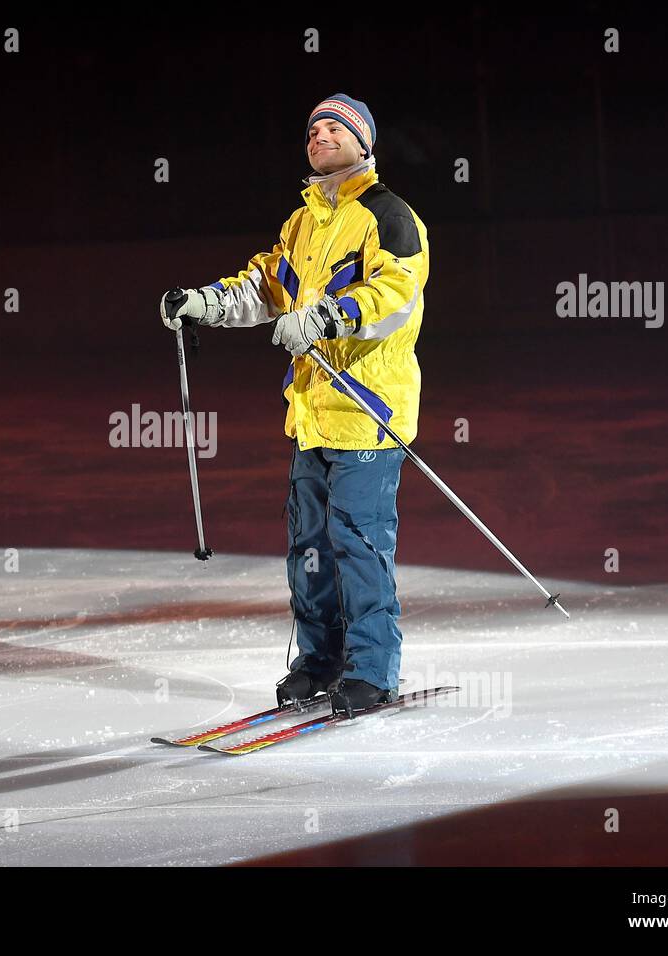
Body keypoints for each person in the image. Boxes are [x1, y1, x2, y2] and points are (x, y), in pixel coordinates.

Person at [160, 93, 430, 717]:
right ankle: (319, 659)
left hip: (367, 410)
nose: (321, 134)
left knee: (359, 545)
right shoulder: (301, 224)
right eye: (313, 127)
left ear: (365, 142)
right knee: (309, 548)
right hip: (311, 415)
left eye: (336, 126)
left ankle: (370, 670)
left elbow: (396, 295)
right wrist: (203, 303)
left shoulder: (389, 216)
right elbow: (265, 285)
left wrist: (325, 319)